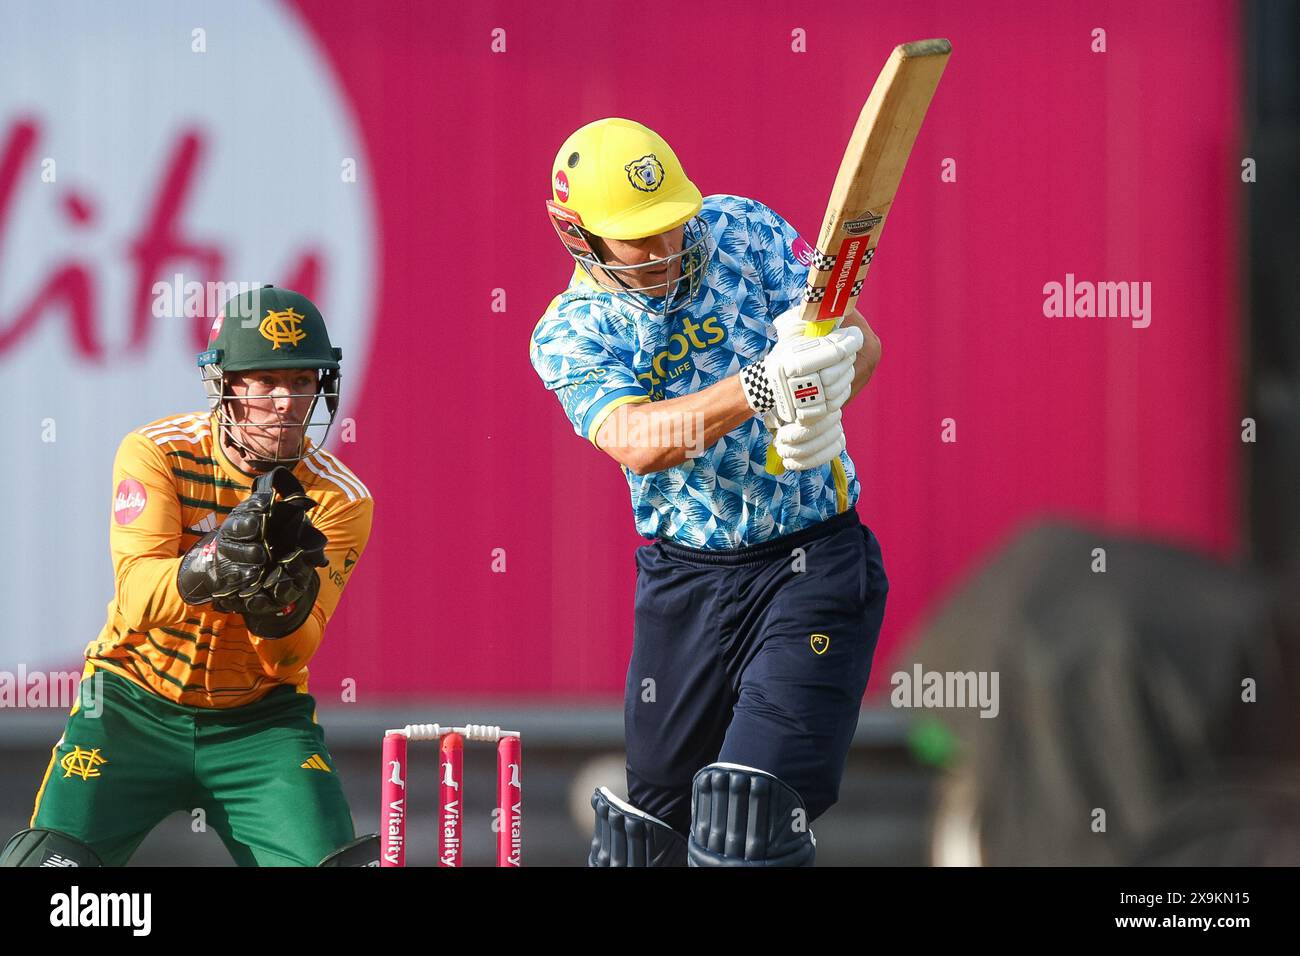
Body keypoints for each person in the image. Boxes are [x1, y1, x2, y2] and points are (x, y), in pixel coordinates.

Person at [530, 118, 889, 866]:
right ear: (579, 236)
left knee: (747, 817)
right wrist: (766, 387)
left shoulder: (744, 230)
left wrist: (826, 395)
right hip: (686, 583)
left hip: (811, 564)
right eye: (638, 239)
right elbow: (640, 441)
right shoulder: (571, 331)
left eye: (672, 226)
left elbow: (855, 340)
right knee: (645, 840)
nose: (665, 251)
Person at [0, 286, 377, 867]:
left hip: (260, 721)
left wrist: (276, 607)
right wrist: (215, 563)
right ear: (224, 385)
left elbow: (288, 659)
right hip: (130, 706)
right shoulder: (157, 452)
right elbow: (135, 597)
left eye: (302, 383)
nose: (284, 403)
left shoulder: (340, 498)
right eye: (264, 382)